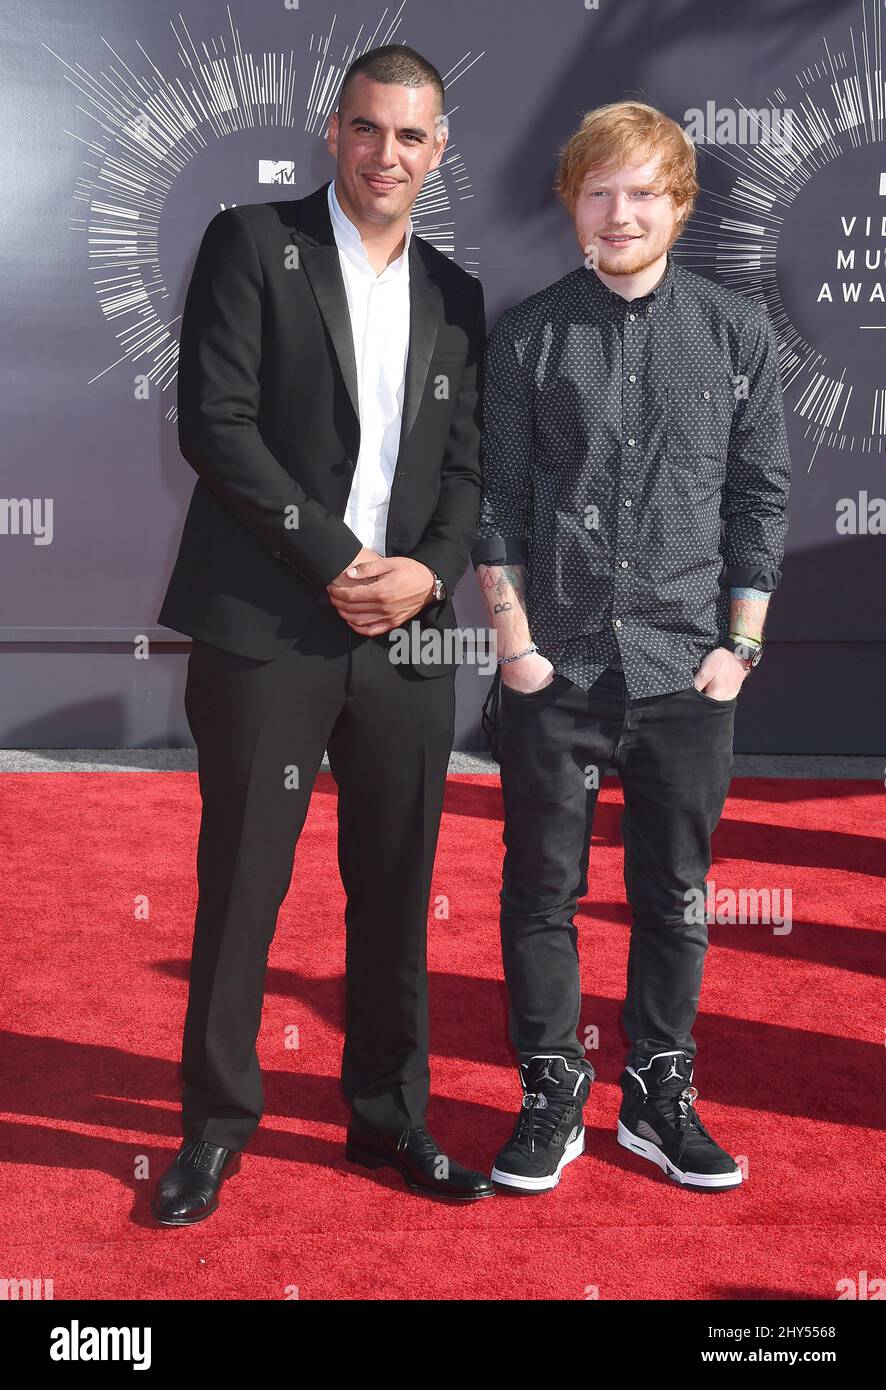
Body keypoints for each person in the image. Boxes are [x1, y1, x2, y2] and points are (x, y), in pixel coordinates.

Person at [152, 44, 493, 1224]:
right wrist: (339, 559)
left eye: (410, 136)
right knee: (242, 881)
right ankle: (211, 1128)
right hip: (269, 622)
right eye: (366, 129)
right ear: (331, 131)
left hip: (405, 634)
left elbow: (465, 470)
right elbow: (218, 424)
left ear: (437, 150)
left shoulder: (456, 292)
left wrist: (426, 574)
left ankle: (389, 1116)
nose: (385, 153)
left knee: (397, 886)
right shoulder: (253, 244)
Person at [471, 100, 791, 1193]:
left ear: (680, 206)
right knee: (539, 893)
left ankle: (658, 1093)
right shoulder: (526, 335)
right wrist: (514, 645)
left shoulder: (737, 333)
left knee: (674, 896)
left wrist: (736, 648)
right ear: (570, 205)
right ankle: (551, 1092)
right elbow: (498, 503)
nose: (618, 214)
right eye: (597, 193)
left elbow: (759, 497)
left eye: (642, 193)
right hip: (553, 668)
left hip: (687, 670)